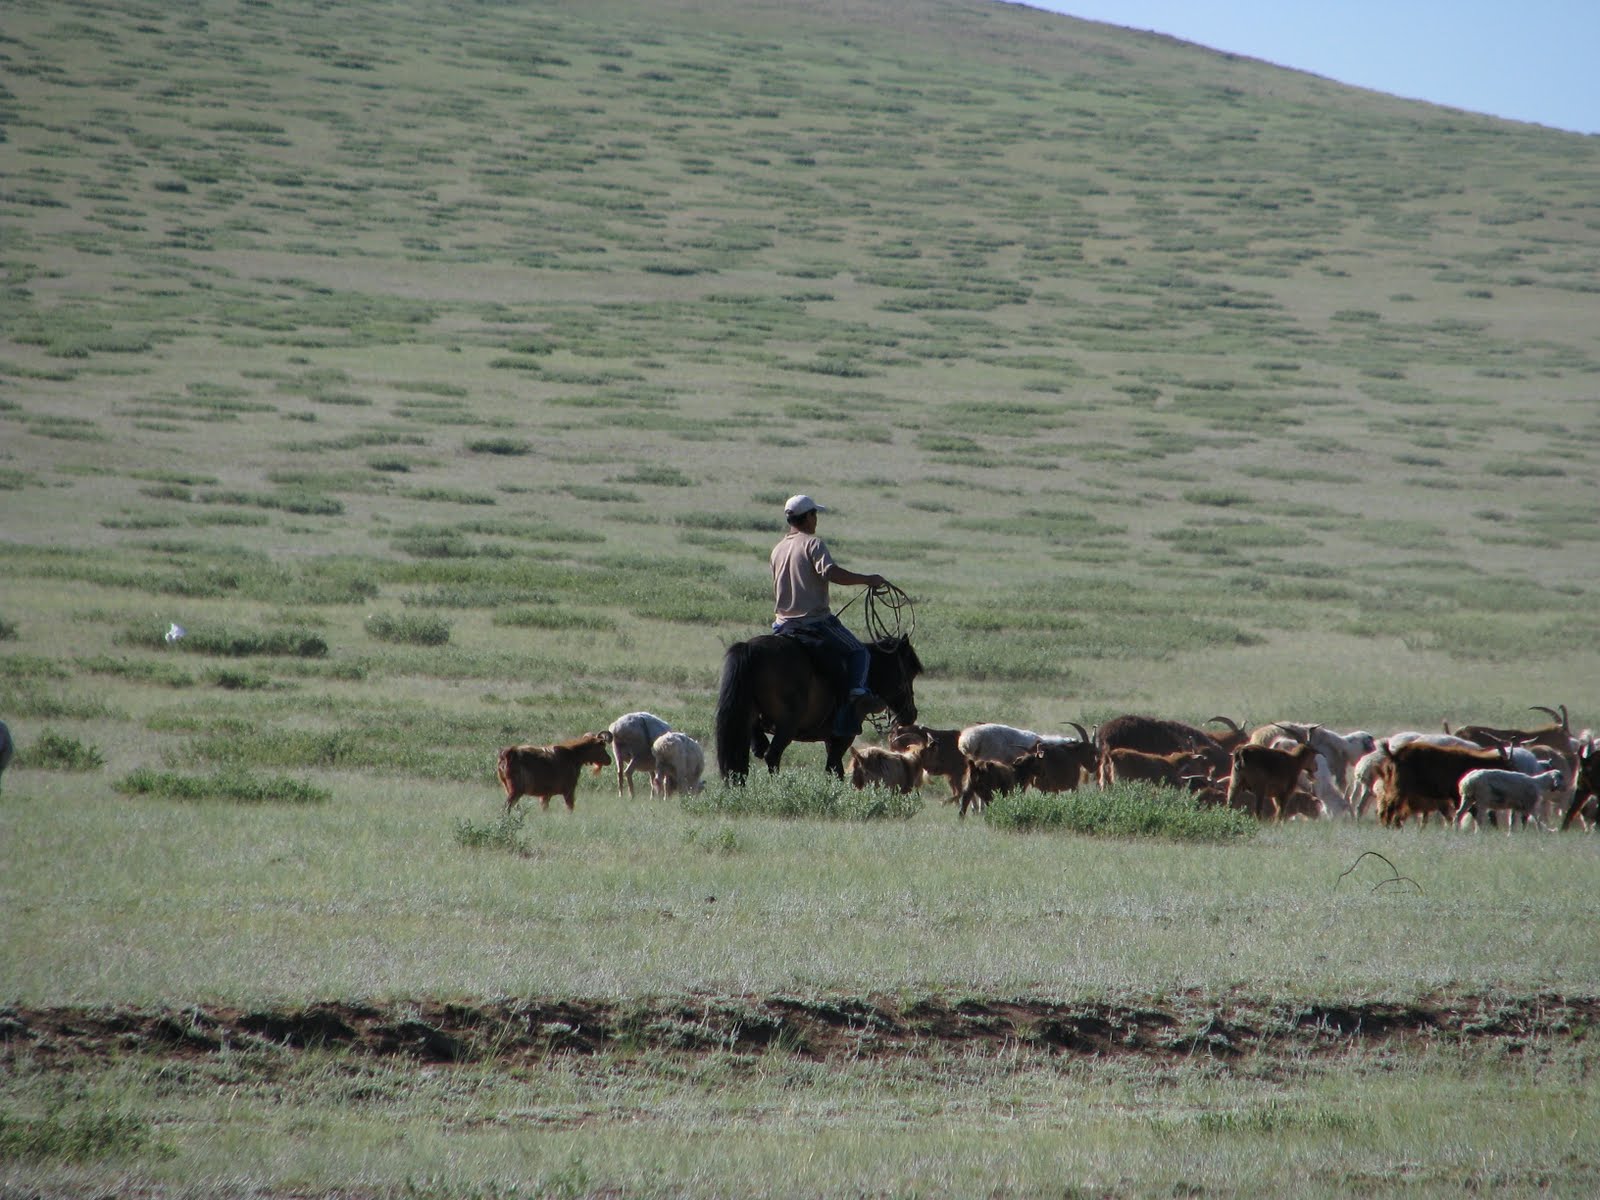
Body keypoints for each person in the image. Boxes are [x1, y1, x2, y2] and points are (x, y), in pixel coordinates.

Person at [770, 494, 889, 733]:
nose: (816, 520)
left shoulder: (778, 549)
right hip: (813, 622)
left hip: (782, 624)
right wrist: (867, 580)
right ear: (809, 517)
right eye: (815, 515)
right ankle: (857, 696)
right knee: (859, 652)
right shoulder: (813, 544)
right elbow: (831, 573)